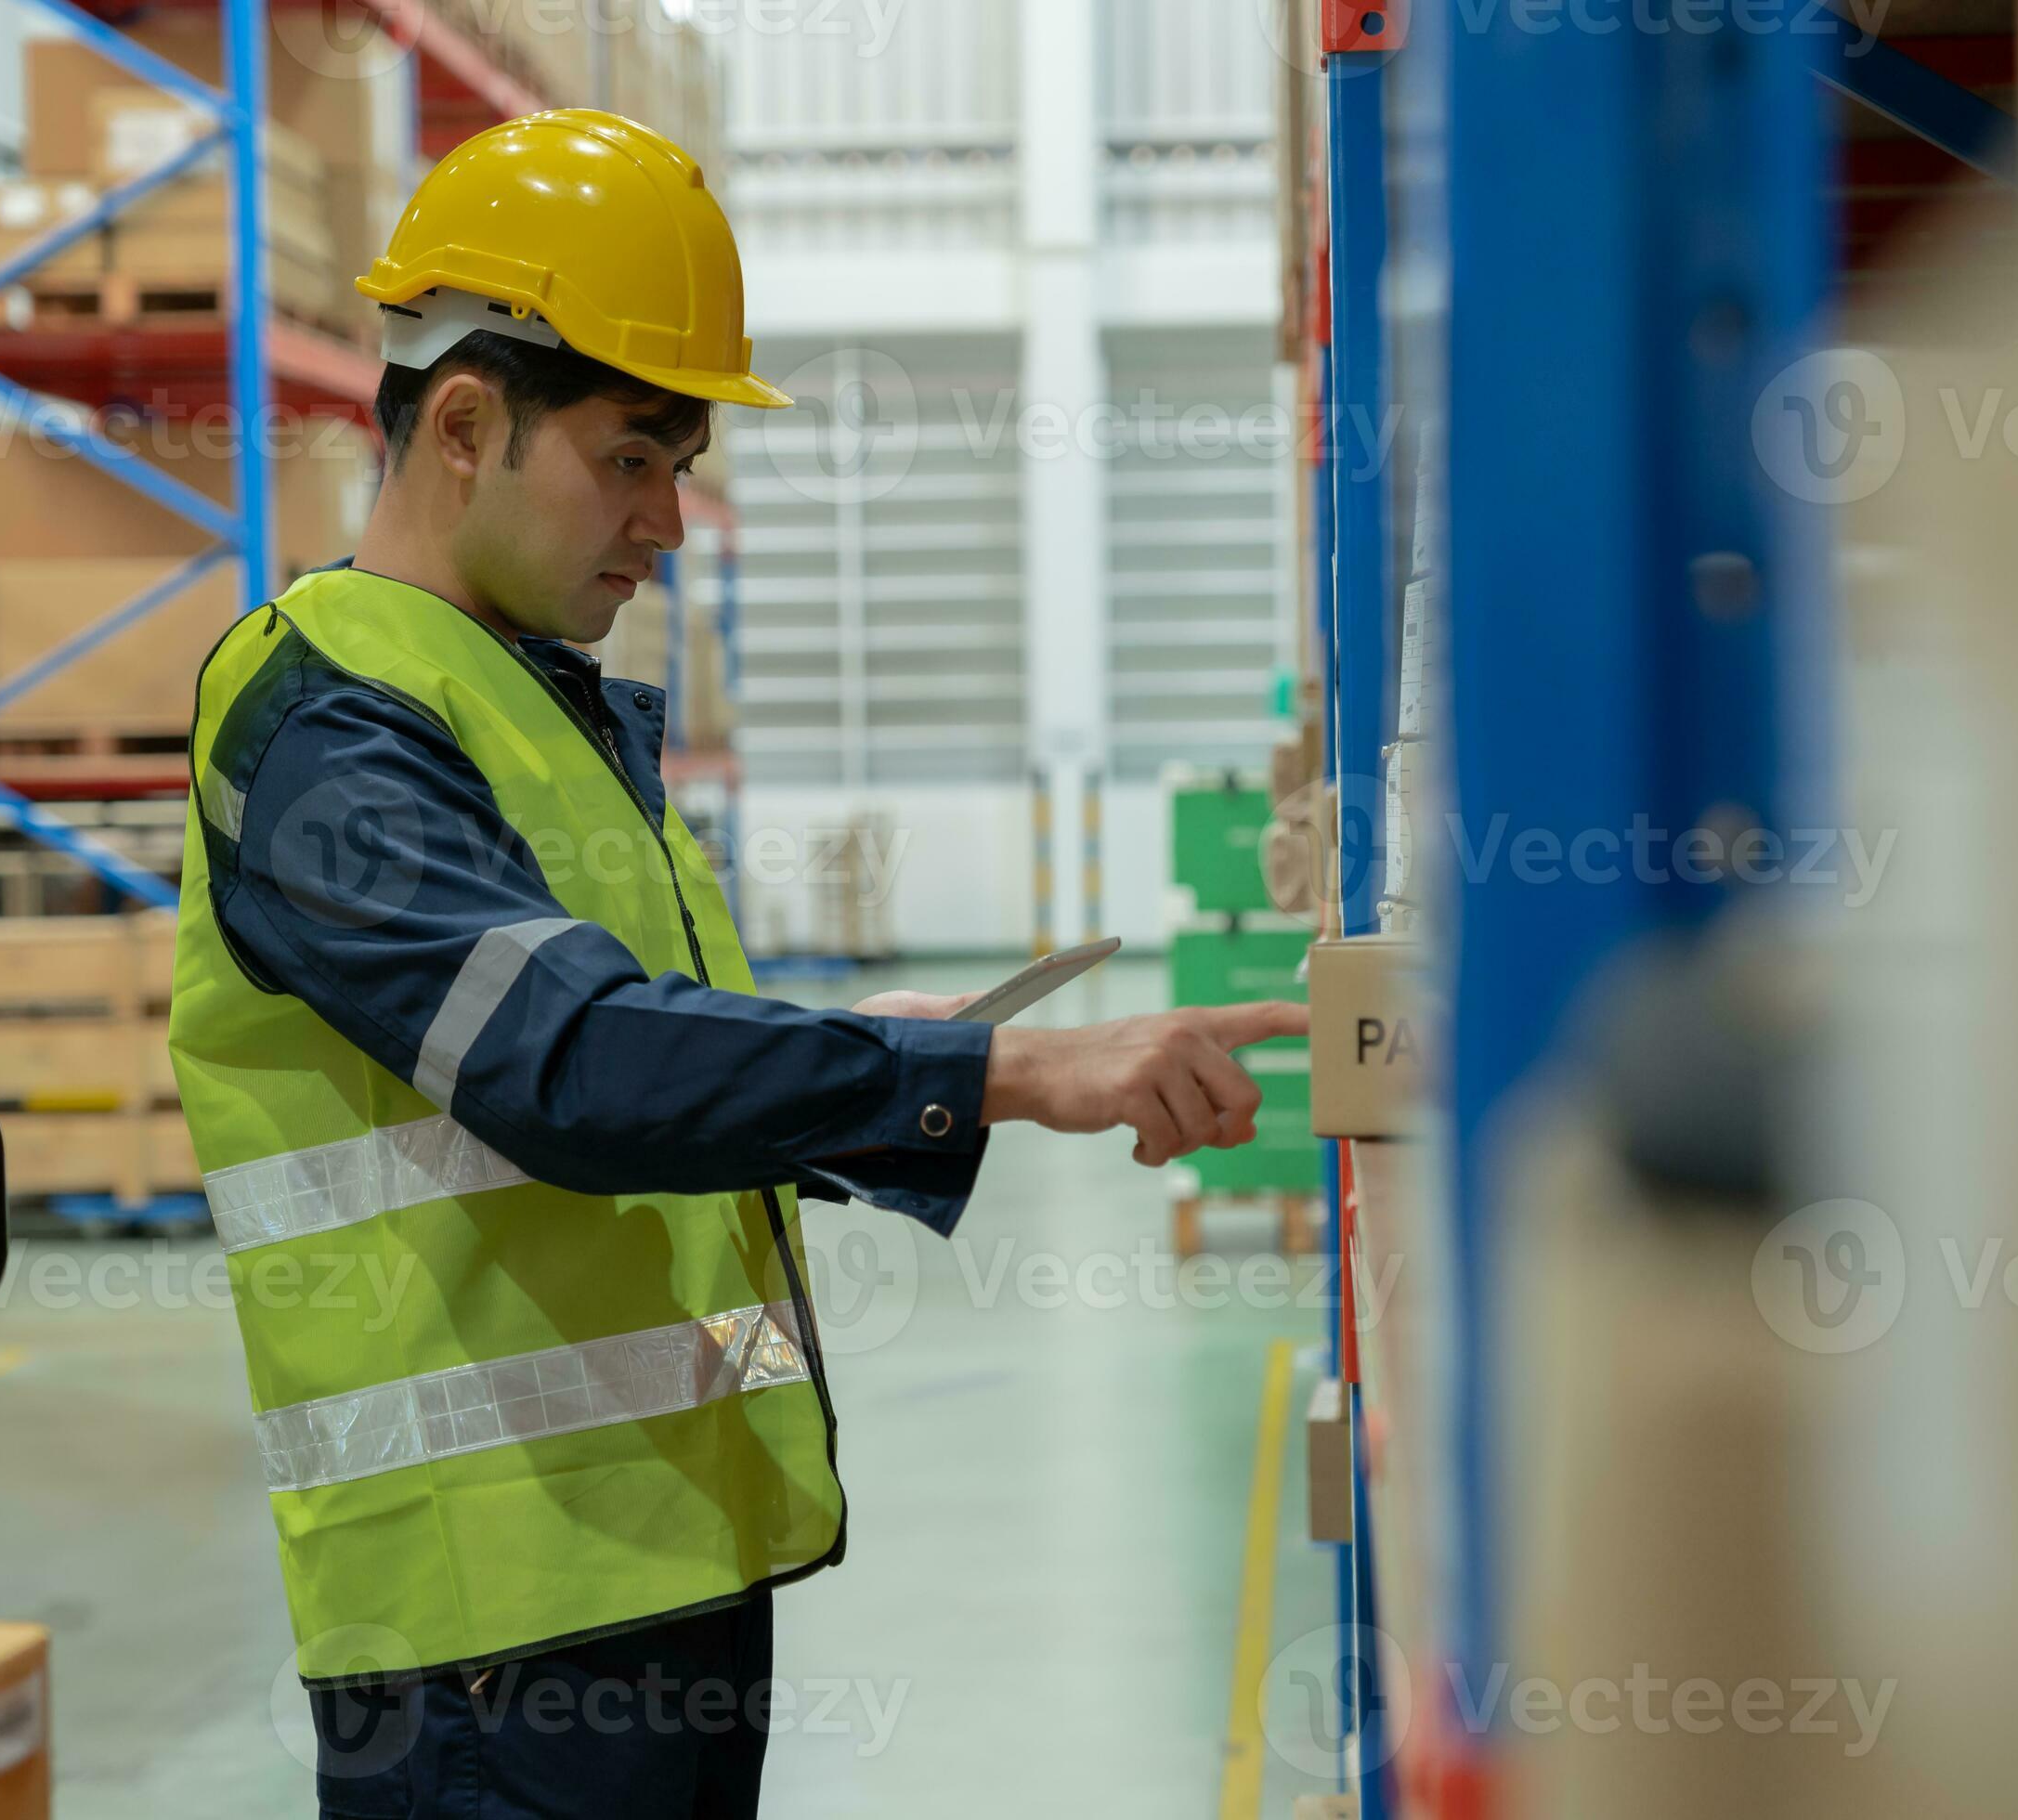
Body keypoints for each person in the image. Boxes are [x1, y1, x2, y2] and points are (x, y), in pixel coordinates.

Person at [164, 110, 1310, 1820]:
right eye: (633, 459)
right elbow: (572, 1068)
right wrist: (999, 1074)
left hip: (636, 1574)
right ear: (466, 423)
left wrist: (862, 1042)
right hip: (490, 1635)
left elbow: (638, 1047)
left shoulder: (519, 698)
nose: (670, 525)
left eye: (679, 468)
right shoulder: (330, 729)